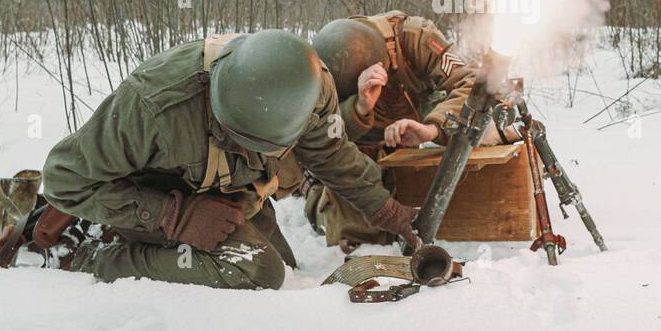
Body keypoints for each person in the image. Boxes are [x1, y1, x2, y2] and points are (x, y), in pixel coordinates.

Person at [30, 29, 417, 290]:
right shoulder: (154, 105)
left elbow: (329, 151)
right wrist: (172, 216)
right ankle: (94, 257)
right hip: (156, 195)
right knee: (259, 270)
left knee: (286, 267)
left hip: (230, 195)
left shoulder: (310, 87)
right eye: (239, 139)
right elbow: (64, 179)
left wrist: (384, 209)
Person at [308, 11, 498, 250]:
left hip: (407, 145)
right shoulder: (325, 66)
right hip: (355, 153)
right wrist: (359, 107)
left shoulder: (415, 38)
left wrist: (432, 128)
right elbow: (318, 132)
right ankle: (312, 192)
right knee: (361, 235)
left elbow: (470, 83)